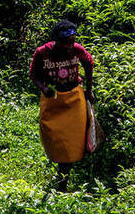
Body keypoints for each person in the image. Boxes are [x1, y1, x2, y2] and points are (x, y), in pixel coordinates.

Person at [30, 20, 95, 192]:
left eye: (72, 42)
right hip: (53, 99)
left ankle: (63, 181)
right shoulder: (42, 53)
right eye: (66, 43)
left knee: (71, 140)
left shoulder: (77, 49)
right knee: (54, 136)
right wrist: (44, 88)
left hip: (74, 98)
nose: (69, 46)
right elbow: (33, 75)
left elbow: (89, 64)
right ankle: (61, 173)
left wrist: (89, 90)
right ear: (56, 41)